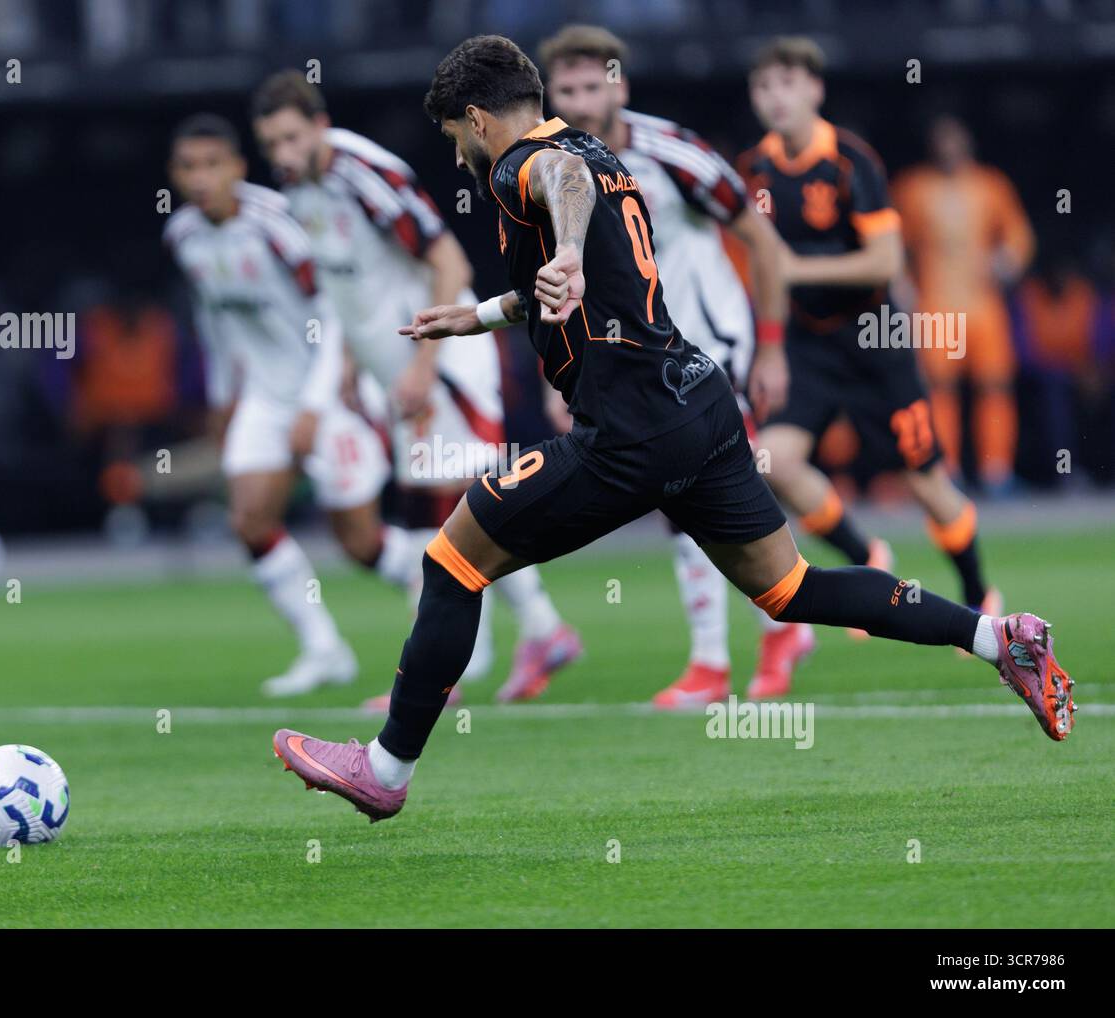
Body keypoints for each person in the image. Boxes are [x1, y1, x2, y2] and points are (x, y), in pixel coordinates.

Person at [271, 36, 1074, 822]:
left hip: (630, 431)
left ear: (479, 121)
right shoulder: (602, 150)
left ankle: (383, 770)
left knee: (452, 559)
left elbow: (564, 190)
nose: (458, 159)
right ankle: (999, 639)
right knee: (790, 588)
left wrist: (573, 251)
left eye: (456, 140)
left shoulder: (528, 164)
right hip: (700, 404)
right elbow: (576, 266)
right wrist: (479, 316)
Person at [252, 71, 581, 704]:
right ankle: (539, 630)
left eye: (293, 138)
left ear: (319, 125)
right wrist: (351, 365)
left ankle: (441, 676)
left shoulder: (362, 173)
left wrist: (425, 367)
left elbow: (449, 261)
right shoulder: (300, 186)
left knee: (436, 527)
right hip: (399, 373)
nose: (284, 155)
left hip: (440, 369)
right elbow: (353, 287)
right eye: (272, 144)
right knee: (461, 518)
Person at [538, 23, 813, 707]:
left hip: (710, 343)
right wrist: (563, 377)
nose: (577, 100)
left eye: (589, 85)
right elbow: (565, 280)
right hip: (641, 358)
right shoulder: (550, 168)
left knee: (690, 493)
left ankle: (717, 665)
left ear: (618, 85)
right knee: (698, 499)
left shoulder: (672, 152)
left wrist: (772, 346)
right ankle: (771, 633)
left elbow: (762, 240)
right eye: (563, 89)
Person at [738, 37, 1000, 625]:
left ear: (814, 88)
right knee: (772, 460)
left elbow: (885, 260)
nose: (775, 97)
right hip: (807, 343)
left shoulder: (852, 162)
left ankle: (980, 599)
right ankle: (867, 556)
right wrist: (771, 347)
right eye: (763, 86)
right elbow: (763, 265)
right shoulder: (754, 168)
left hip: (875, 338)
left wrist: (798, 268)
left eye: (786, 83)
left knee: (927, 483)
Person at [166, 113, 389, 696]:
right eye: (188, 167)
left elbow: (334, 309)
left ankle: (481, 600)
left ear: (237, 168)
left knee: (362, 544)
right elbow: (215, 320)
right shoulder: (184, 236)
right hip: (265, 397)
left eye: (212, 165)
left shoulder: (277, 224)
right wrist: (222, 397)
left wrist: (315, 405)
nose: (200, 178)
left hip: (327, 394)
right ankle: (324, 648)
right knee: (249, 520)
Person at [892, 115, 1034, 494]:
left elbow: (1019, 235)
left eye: (955, 139)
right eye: (942, 140)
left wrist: (1009, 258)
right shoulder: (913, 187)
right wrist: (900, 282)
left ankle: (997, 473)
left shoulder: (991, 185)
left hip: (983, 303)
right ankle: (947, 472)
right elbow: (891, 241)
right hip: (936, 303)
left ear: (967, 143)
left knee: (995, 387)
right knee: (940, 390)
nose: (949, 147)